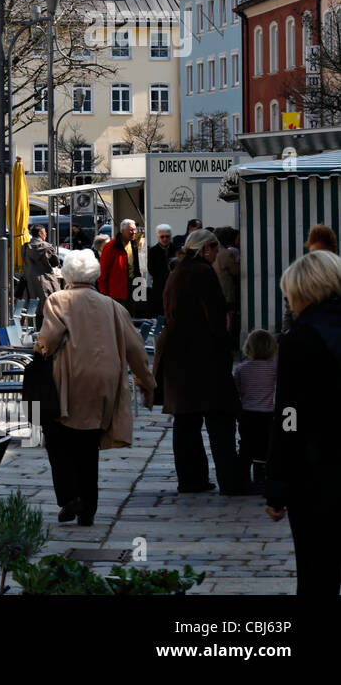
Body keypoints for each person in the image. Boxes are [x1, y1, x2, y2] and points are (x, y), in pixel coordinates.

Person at [34, 249, 154, 526]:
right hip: (104, 383)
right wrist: (147, 383)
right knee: (88, 445)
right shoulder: (112, 306)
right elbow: (136, 349)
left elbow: (48, 340)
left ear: (67, 274)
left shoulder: (58, 301)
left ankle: (70, 497)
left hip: (69, 379)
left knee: (57, 440)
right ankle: (87, 507)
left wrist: (37, 350)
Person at [265, 249, 341, 595]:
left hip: (317, 472)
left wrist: (277, 482)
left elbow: (289, 415)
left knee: (317, 572)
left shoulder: (300, 340)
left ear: (304, 291)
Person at [153, 229, 248, 495]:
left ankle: (190, 480)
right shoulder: (203, 273)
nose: (217, 254)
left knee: (186, 423)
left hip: (177, 357)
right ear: (205, 248)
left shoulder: (176, 273)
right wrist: (225, 345)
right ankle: (230, 480)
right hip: (204, 358)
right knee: (220, 421)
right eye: (215, 249)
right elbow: (216, 318)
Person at [233, 329, 276, 492]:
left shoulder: (242, 368)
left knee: (246, 447)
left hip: (247, 414)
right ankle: (261, 478)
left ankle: (242, 479)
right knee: (265, 446)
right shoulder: (273, 368)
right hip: (267, 414)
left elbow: (237, 390)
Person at [97, 219, 140, 314]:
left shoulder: (134, 244)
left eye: (134, 230)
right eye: (131, 230)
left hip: (134, 288)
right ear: (122, 231)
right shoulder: (110, 247)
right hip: (117, 292)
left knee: (132, 317)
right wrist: (105, 296)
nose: (134, 232)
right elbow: (103, 273)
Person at [21, 226, 61, 328]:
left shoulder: (25, 247)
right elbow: (55, 262)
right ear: (40, 233)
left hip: (30, 283)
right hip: (46, 281)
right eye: (45, 232)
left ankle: (34, 331)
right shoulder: (47, 247)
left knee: (33, 308)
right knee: (49, 307)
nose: (46, 234)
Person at [147, 224, 175, 317]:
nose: (164, 239)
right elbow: (151, 268)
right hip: (159, 286)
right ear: (158, 237)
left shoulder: (175, 249)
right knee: (159, 311)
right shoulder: (153, 251)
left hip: (173, 285)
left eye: (167, 236)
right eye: (162, 237)